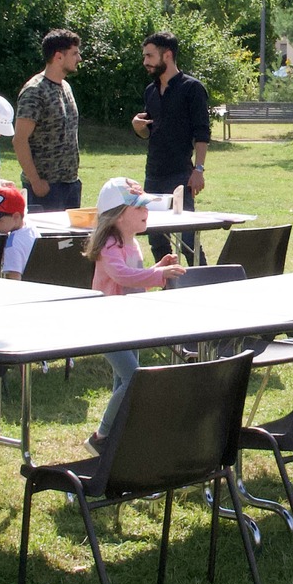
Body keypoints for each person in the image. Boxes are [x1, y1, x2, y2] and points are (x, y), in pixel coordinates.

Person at [85, 176, 187, 442]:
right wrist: (157, 274)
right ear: (118, 215)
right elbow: (123, 276)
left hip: (129, 323)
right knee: (134, 379)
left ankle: (120, 434)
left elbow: (135, 276)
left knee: (124, 381)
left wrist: (157, 269)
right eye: (139, 208)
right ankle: (102, 436)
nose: (146, 212)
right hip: (108, 324)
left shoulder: (131, 241)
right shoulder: (110, 245)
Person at [131, 31, 210, 260]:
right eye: (145, 56)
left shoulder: (192, 89)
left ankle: (201, 280)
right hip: (153, 174)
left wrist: (199, 169)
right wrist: (138, 128)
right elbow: (150, 133)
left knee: (188, 239)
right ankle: (166, 283)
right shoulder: (150, 91)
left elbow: (202, 133)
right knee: (156, 236)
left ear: (167, 55)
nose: (145, 61)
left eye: (150, 56)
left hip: (180, 175)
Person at [14, 29, 83, 212]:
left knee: (72, 240)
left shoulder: (66, 87)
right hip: (46, 189)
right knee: (47, 241)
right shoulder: (34, 91)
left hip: (70, 185)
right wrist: (36, 182)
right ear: (59, 57)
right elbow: (19, 140)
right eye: (75, 53)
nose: (79, 58)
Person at [0, 184, 38, 278]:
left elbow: (13, 280)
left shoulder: (12, 245)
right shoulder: (30, 227)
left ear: (16, 217)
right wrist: (0, 226)